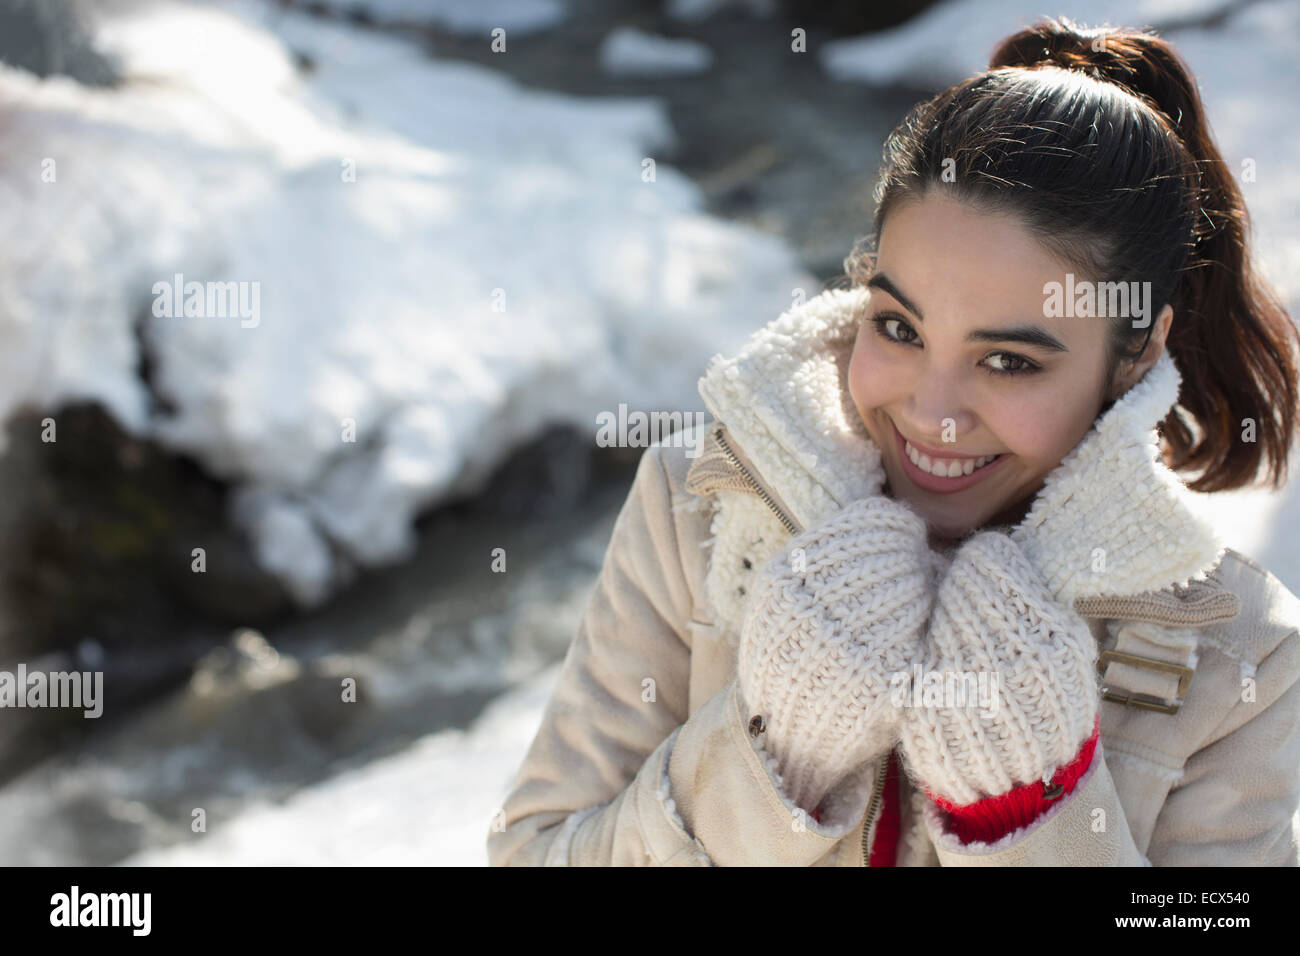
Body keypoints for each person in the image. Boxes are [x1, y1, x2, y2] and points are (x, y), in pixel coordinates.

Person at [486, 16, 1300, 866]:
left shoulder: (1240, 653)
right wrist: (772, 761)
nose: (931, 413)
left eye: (1010, 360)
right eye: (901, 328)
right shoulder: (696, 504)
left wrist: (1028, 807)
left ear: (1135, 354)